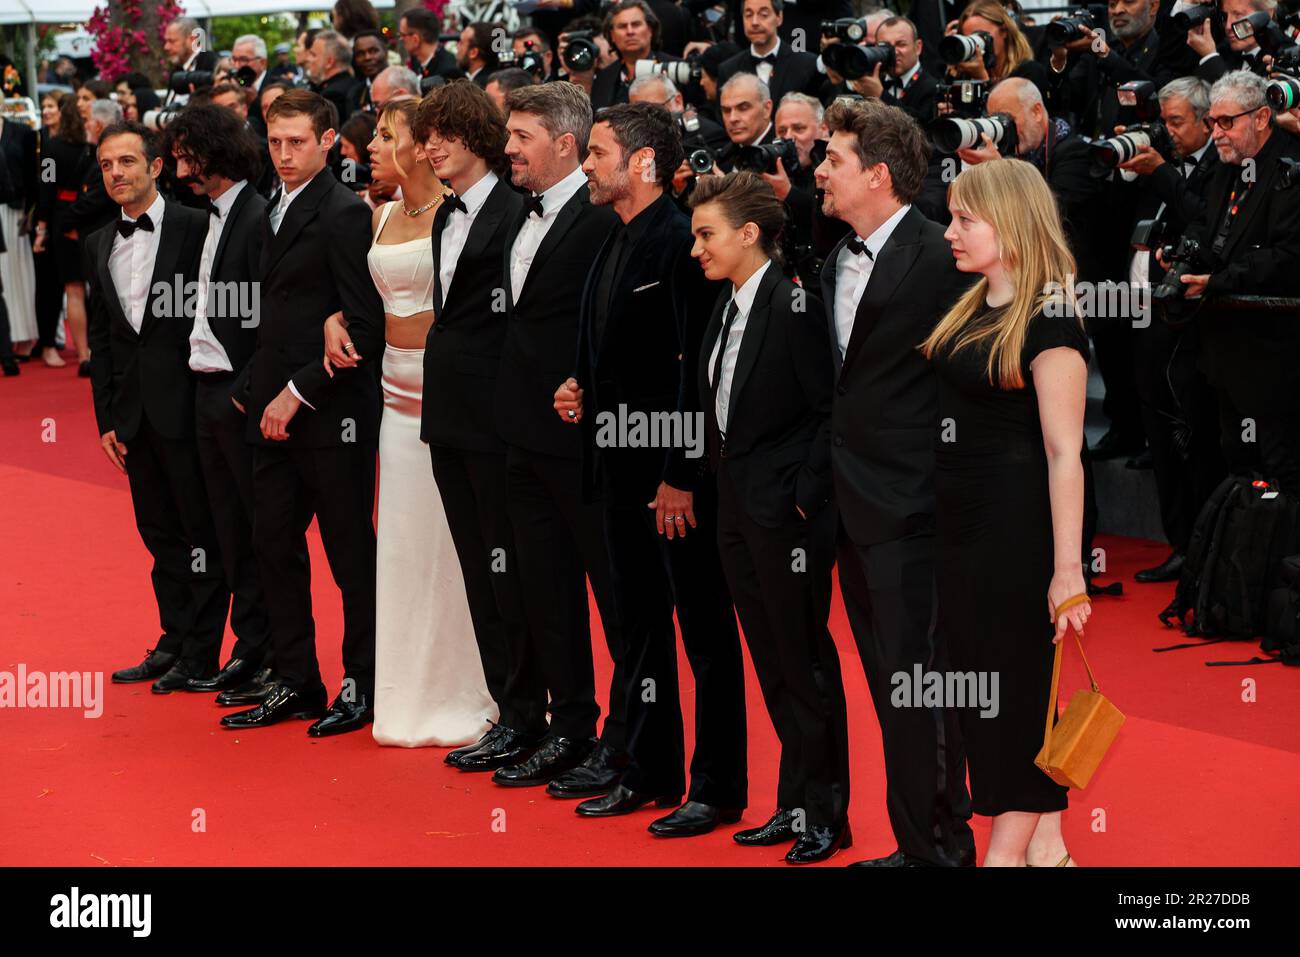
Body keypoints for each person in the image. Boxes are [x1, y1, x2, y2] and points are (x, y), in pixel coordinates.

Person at [554, 102, 747, 836]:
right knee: (637, 629)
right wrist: (579, 385)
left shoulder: (679, 242)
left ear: (641, 162)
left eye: (598, 151)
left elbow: (692, 373)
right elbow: (611, 347)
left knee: (704, 633)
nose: (588, 164)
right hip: (614, 468)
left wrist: (681, 473)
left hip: (669, 479)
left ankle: (719, 784)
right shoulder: (614, 236)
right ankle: (652, 767)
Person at [815, 97, 977, 867]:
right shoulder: (829, 258)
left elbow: (974, 383)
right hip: (850, 508)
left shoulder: (942, 253)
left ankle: (944, 846)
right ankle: (918, 843)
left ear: (878, 174)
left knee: (924, 688)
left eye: (835, 160)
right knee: (890, 684)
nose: (819, 171)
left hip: (916, 508)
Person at [921, 157, 1091, 867]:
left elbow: (1065, 455)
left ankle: (1003, 857)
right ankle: (1047, 847)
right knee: (984, 693)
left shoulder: (1052, 320)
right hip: (959, 529)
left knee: (1011, 699)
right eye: (953, 216)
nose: (951, 231)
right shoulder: (974, 304)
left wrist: (1066, 572)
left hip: (1015, 538)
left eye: (966, 219)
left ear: (1012, 225)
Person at [321, 96, 497, 748]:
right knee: (400, 541)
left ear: (421, 144)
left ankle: (466, 687)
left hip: (450, 392)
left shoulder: (460, 216)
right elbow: (358, 301)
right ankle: (402, 692)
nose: (372, 147)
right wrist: (332, 319)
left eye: (386, 135)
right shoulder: (381, 213)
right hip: (392, 397)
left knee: (454, 545)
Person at [688, 171, 848, 859]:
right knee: (773, 661)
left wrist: (802, 495)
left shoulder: (794, 304)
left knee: (805, 662)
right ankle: (794, 800)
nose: (696, 248)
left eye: (706, 235)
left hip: (785, 515)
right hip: (736, 508)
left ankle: (827, 814)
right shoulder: (726, 305)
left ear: (749, 234)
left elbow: (828, 409)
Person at [221, 89, 384, 736]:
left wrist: (298, 390)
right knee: (271, 545)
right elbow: (275, 314)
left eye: (296, 142)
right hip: (269, 409)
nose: (283, 154)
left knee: (349, 555)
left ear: (327, 142)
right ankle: (296, 679)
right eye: (275, 141)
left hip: (331, 414)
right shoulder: (270, 209)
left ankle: (364, 682)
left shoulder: (344, 213)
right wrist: (253, 384)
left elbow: (364, 326)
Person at [488, 83, 629, 793]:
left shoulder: (603, 217)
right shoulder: (520, 209)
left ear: (566, 145)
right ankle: (569, 728)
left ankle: (627, 745)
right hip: (521, 437)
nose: (507, 146)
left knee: (615, 599)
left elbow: (611, 326)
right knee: (545, 594)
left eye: (520, 135)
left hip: (585, 444)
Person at [411, 81, 547, 770]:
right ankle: (508, 709)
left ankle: (533, 714)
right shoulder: (443, 215)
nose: (428, 146)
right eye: (424, 135)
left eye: (441, 134)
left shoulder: (522, 210)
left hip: (500, 421)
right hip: (449, 420)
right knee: (477, 568)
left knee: (509, 571)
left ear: (473, 136)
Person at [83, 121, 228, 691]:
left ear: (156, 167)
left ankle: (204, 650)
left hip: (190, 408)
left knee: (201, 533)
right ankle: (173, 638)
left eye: (126, 162)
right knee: (158, 534)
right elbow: (103, 339)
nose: (116, 174)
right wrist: (107, 421)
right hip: (134, 417)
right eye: (106, 166)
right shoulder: (98, 243)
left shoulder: (198, 226)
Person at [163, 105, 276, 698]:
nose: (180, 167)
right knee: (227, 532)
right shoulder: (209, 217)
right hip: (205, 388)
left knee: (258, 531)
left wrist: (247, 390)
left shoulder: (256, 215)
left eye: (188, 155)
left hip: (236, 394)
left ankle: (271, 653)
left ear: (216, 152)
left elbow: (274, 316)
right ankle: (250, 644)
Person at [1178, 70, 1300, 492]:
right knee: (1238, 469)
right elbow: (1203, 225)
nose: (1216, 134)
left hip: (1277, 359)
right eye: (1212, 122)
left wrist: (1217, 280)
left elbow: (1288, 257)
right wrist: (1184, 257)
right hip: (1224, 355)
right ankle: (1238, 557)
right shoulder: (1225, 168)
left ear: (1262, 117)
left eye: (1227, 122)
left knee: (1281, 476)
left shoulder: (1291, 169)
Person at [34, 94, 93, 374]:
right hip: (90, 216)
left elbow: (45, 190)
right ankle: (91, 350)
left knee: (73, 289)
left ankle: (82, 353)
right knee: (92, 287)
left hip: (62, 216)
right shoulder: (92, 147)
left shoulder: (51, 147)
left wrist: (41, 227)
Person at [717, 0, 821, 106]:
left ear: (779, 17)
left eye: (763, 15)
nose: (754, 22)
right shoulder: (728, 70)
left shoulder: (806, 65)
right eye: (748, 15)